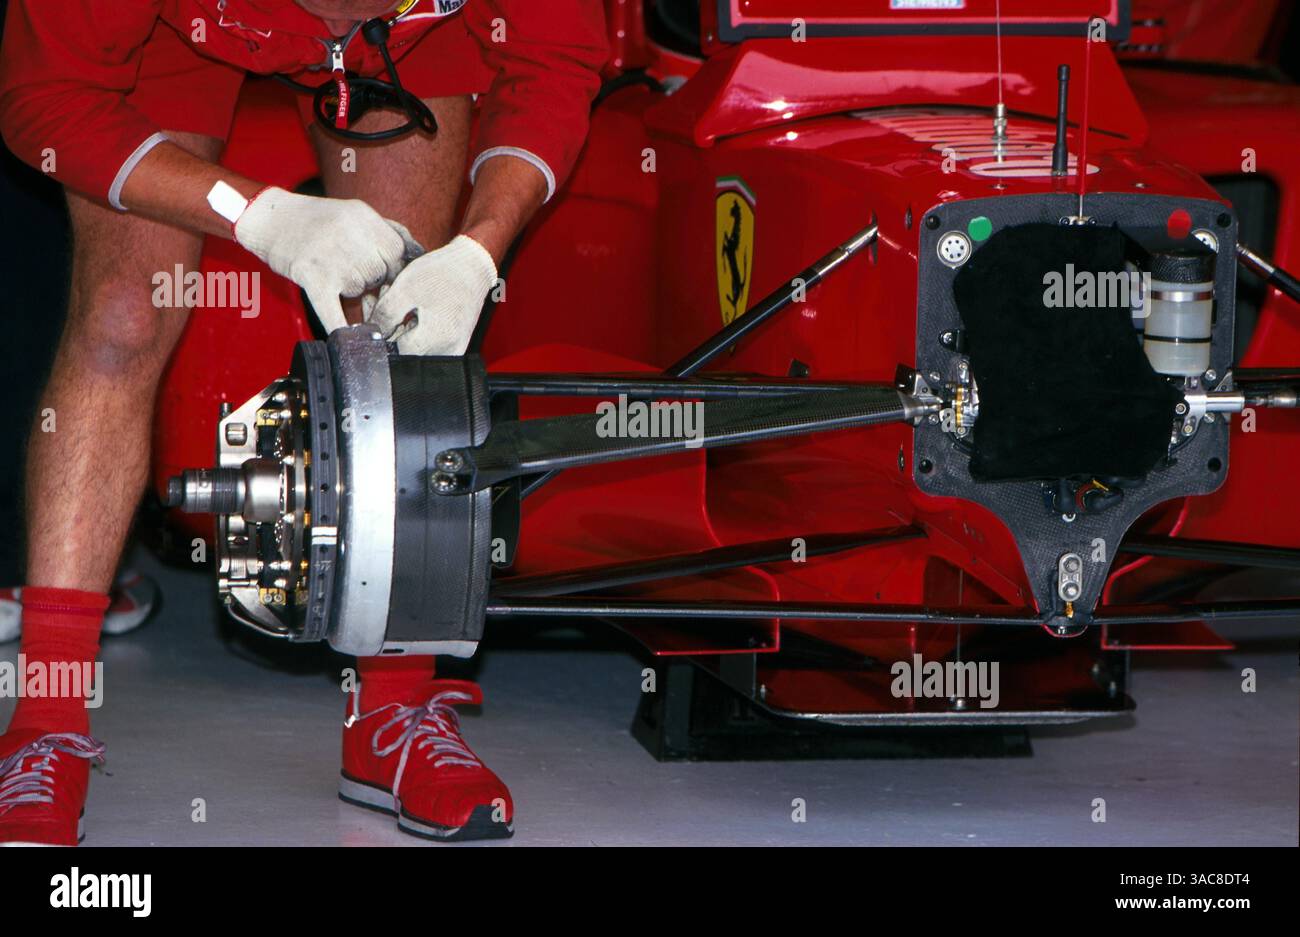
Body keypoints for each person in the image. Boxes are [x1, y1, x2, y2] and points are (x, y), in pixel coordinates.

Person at [0, 0, 607, 845]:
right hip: (178, 29)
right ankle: (46, 717)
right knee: (121, 316)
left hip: (403, 46)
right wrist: (257, 213)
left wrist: (479, 249)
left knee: (406, 315)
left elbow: (558, 64)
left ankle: (388, 713)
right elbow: (46, 96)